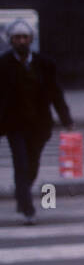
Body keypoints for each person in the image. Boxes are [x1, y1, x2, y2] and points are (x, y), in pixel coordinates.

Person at [0, 19, 73, 225]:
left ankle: (21, 196)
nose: (21, 41)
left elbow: (56, 93)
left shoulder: (45, 64)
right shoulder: (3, 64)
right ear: (10, 41)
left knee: (32, 166)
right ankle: (27, 208)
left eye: (24, 37)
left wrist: (66, 119)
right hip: (14, 125)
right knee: (21, 164)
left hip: (39, 125)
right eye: (17, 38)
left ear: (31, 39)